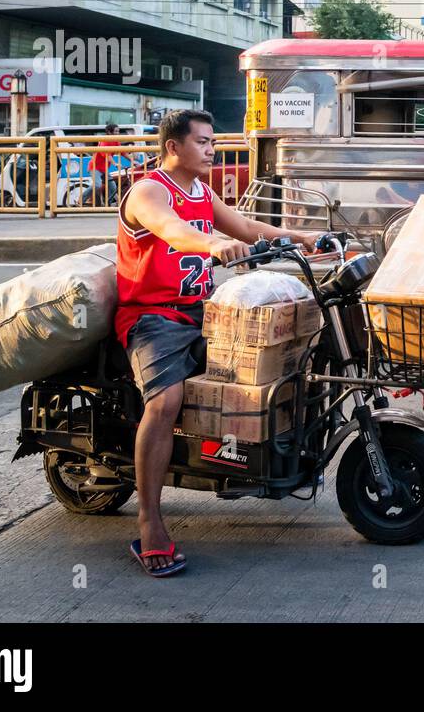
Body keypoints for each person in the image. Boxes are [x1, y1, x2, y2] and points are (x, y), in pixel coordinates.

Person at [116, 108, 324, 576]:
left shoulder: (202, 192)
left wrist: (301, 237)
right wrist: (211, 245)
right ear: (174, 147)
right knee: (165, 401)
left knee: (275, 365)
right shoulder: (149, 191)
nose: (211, 149)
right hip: (154, 320)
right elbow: (173, 230)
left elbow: (248, 229)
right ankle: (150, 522)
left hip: (203, 311)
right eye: (202, 142)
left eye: (212, 142)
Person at [90, 122, 122, 206]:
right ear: (109, 132)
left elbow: (123, 151)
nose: (117, 133)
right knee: (97, 185)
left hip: (104, 169)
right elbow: (107, 155)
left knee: (113, 186)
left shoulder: (116, 141)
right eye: (115, 131)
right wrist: (115, 164)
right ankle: (81, 200)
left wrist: (133, 160)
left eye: (118, 131)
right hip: (95, 167)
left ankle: (115, 203)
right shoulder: (104, 141)